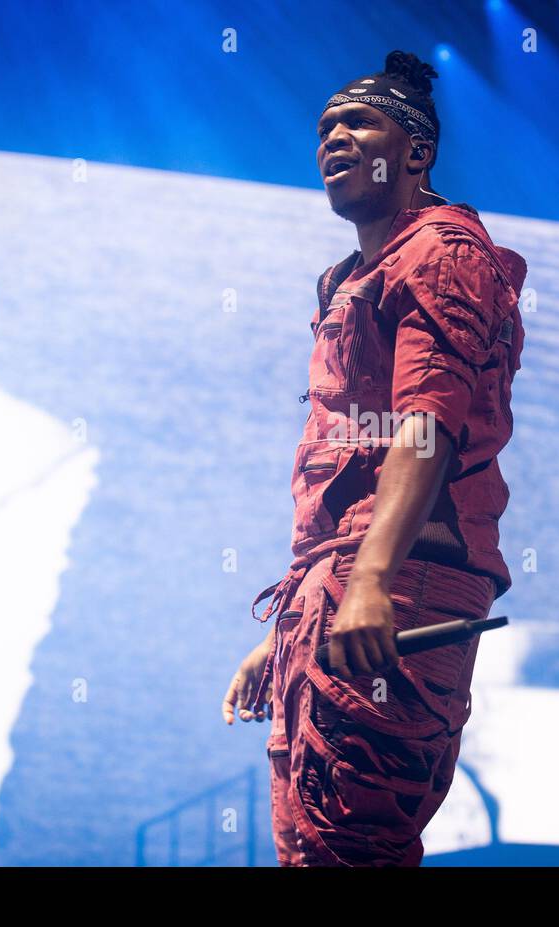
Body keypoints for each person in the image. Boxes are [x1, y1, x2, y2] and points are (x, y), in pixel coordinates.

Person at [222, 50, 527, 866]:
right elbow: (345, 463)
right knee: (309, 846)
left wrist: (367, 581)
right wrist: (289, 628)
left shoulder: (444, 253)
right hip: (339, 585)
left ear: (416, 152)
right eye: (325, 127)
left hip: (397, 579)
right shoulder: (350, 278)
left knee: (350, 845)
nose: (334, 137)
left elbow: (427, 428)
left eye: (358, 122)